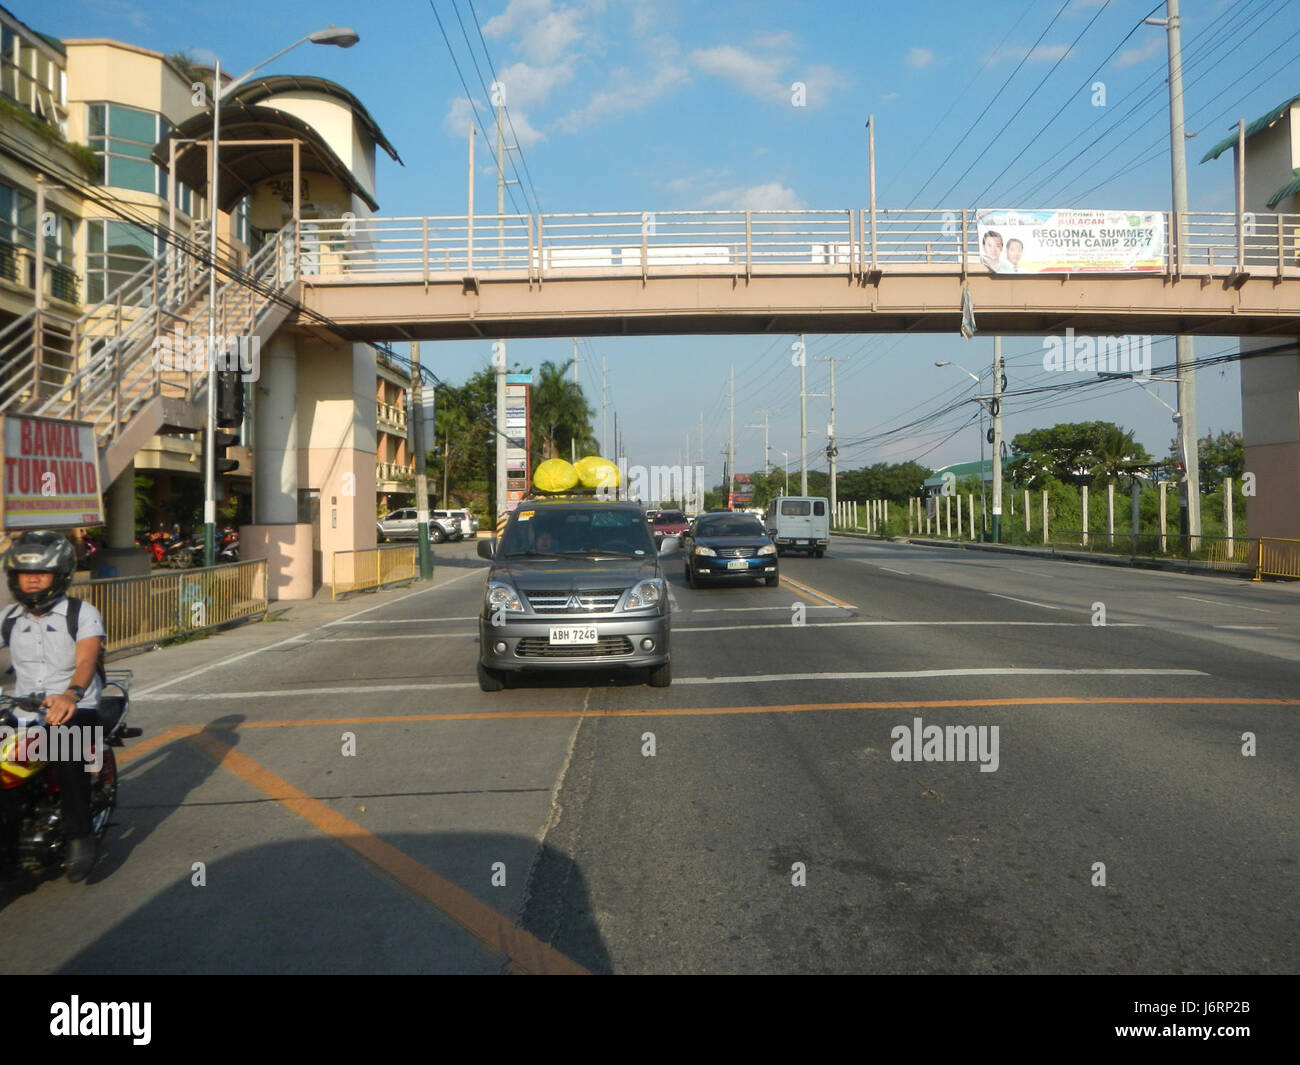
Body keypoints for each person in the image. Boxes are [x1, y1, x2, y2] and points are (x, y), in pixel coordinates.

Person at [0, 531, 106, 881]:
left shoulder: (81, 612)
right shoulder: (8, 617)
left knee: (63, 747)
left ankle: (79, 834)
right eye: (23, 573)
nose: (31, 579)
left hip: (77, 707)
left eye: (41, 572)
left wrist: (70, 694)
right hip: (24, 711)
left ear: (58, 575)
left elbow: (87, 659)